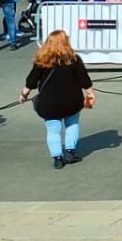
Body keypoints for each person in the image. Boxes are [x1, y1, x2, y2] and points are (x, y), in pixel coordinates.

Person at [21, 29, 94, 169]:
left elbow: (31, 81)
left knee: (53, 131)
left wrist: (23, 95)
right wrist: (90, 94)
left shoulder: (42, 60)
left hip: (49, 103)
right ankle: (70, 152)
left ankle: (57, 158)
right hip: (72, 101)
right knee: (72, 124)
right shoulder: (73, 59)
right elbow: (84, 79)